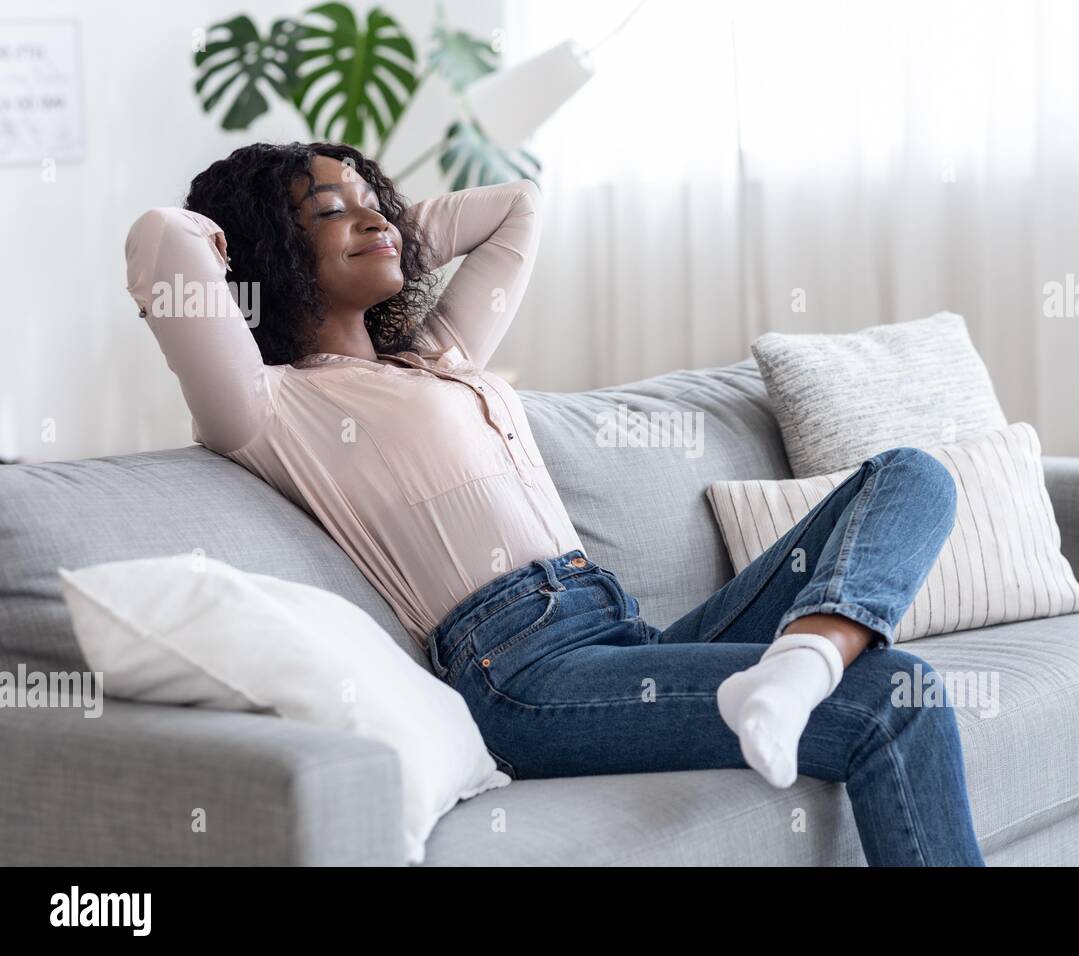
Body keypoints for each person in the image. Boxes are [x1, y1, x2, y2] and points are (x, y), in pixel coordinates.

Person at [125, 140, 985, 866]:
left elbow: (516, 208)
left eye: (374, 201)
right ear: (271, 249)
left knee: (914, 472)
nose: (372, 219)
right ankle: (813, 671)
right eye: (323, 214)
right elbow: (163, 241)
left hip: (617, 632)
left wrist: (372, 214)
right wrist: (246, 235)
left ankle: (807, 658)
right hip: (524, 679)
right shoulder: (267, 405)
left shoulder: (440, 355)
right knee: (894, 693)